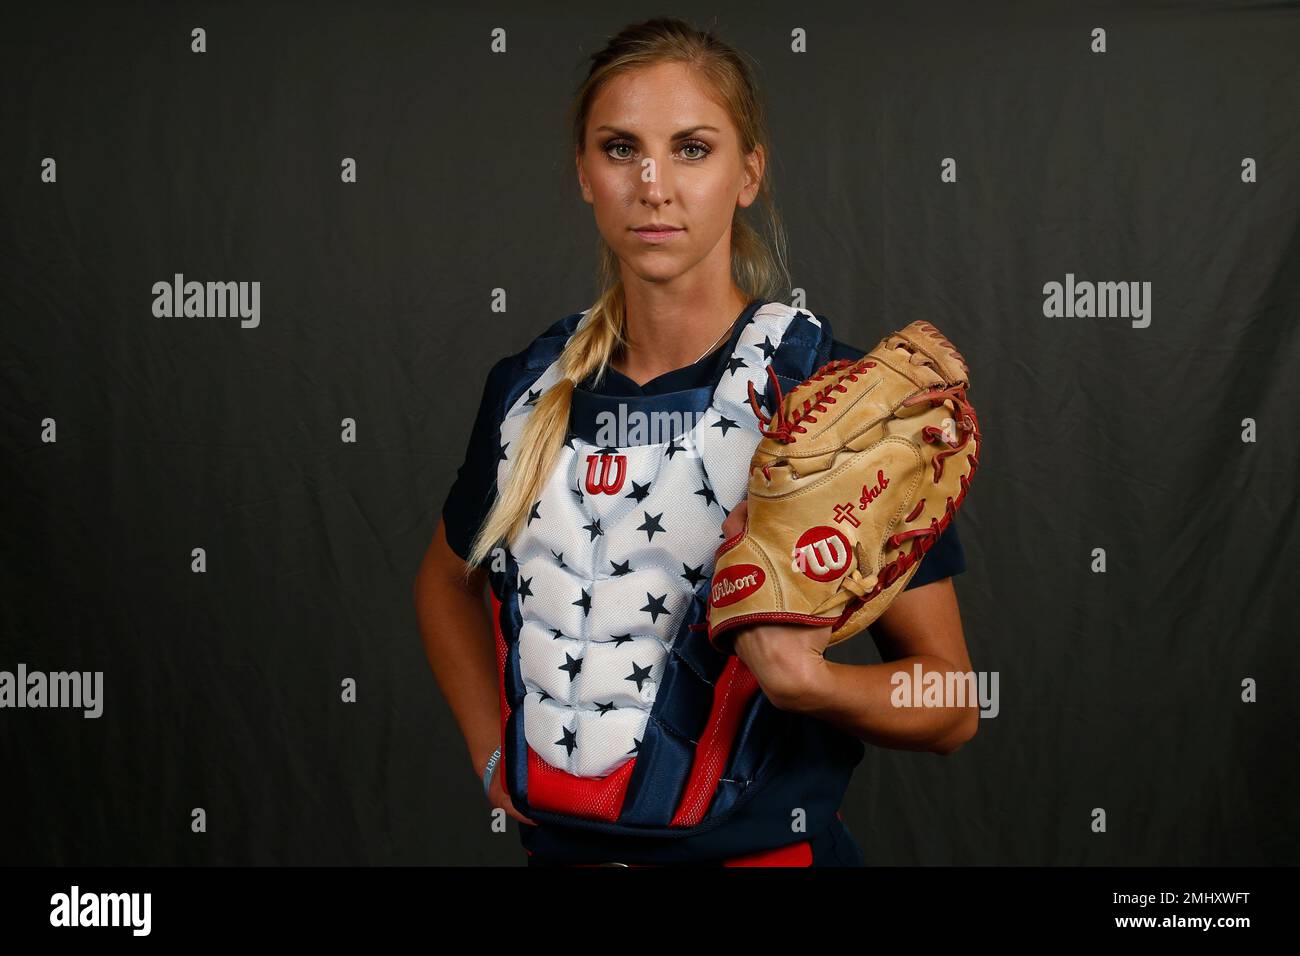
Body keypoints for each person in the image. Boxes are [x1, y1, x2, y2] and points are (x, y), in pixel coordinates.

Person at [413, 16, 978, 867]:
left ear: (748, 173)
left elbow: (953, 700)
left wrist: (813, 683)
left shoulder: (829, 397)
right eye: (619, 149)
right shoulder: (530, 387)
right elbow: (442, 582)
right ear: (583, 174)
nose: (653, 185)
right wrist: (492, 755)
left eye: (692, 149)